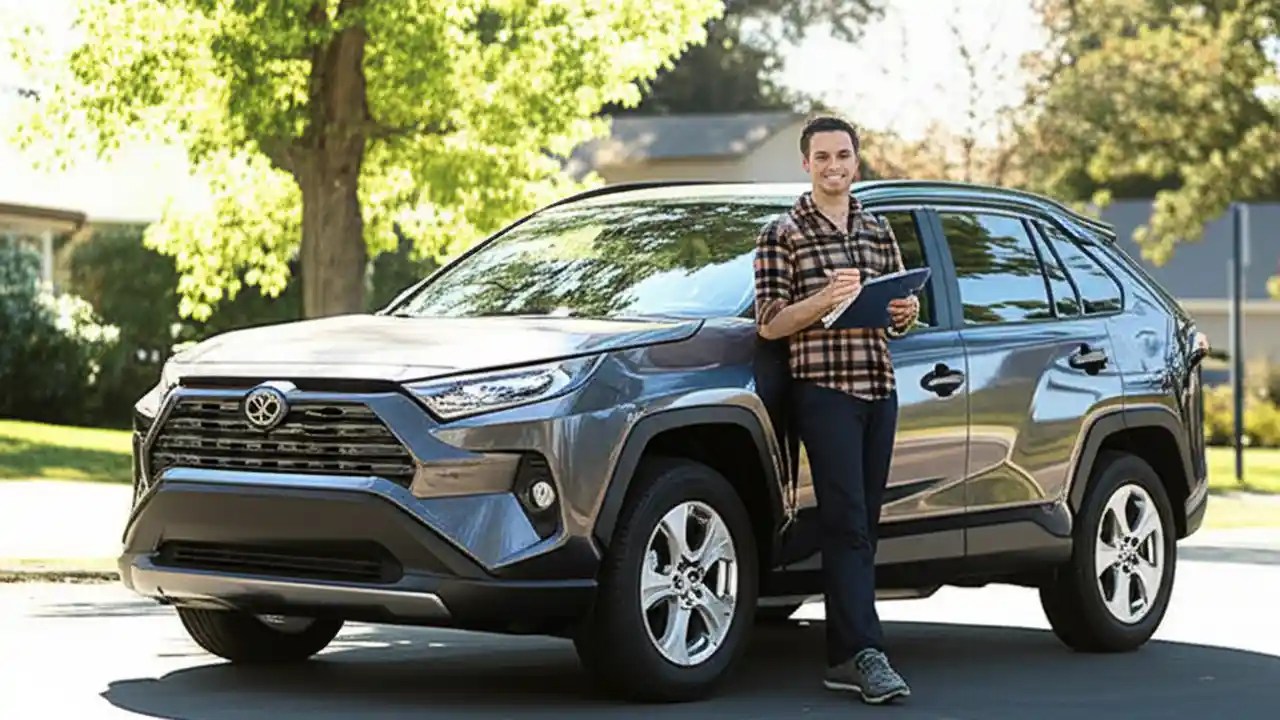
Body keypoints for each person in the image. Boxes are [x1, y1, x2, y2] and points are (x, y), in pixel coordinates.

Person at [752, 115, 919, 705]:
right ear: (806, 164)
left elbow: (897, 312)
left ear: (856, 161)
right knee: (846, 522)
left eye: (842, 155)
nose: (833, 166)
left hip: (878, 387)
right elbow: (769, 323)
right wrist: (824, 298)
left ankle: (851, 650)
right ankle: (859, 653)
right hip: (823, 392)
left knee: (863, 524)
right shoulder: (783, 233)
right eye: (821, 157)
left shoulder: (877, 230)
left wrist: (904, 314)